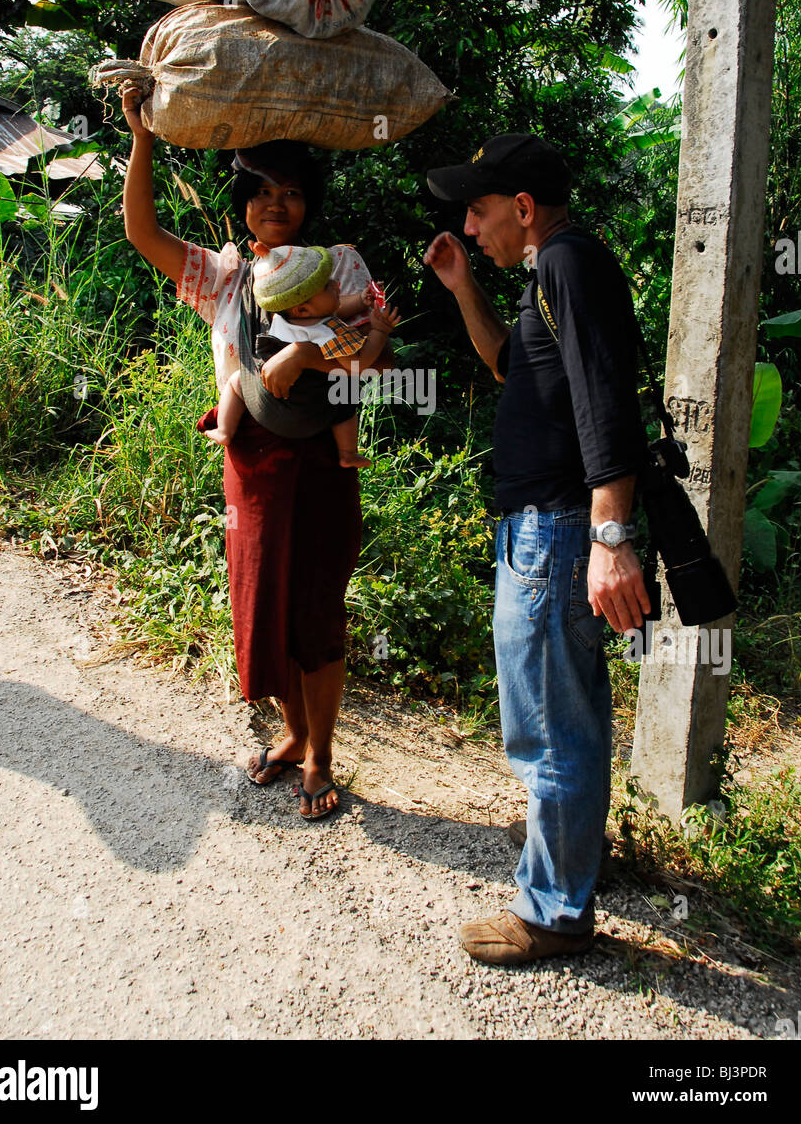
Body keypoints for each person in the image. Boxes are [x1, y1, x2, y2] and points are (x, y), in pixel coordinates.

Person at [120, 83, 393, 819]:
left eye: (294, 192)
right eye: (264, 191)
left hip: (324, 460)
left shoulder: (338, 266)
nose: (278, 204)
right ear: (243, 201)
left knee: (317, 609)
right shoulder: (224, 276)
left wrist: (304, 360)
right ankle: (294, 733)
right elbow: (143, 233)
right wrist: (143, 138)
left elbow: (377, 364)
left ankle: (323, 755)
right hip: (252, 465)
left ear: (310, 205)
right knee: (262, 603)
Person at [423, 133, 651, 962]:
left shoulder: (566, 264)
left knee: (549, 725)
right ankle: (573, 874)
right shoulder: (547, 276)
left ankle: (554, 911)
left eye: (479, 214)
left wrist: (609, 538)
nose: (471, 228)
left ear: (523, 209)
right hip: (546, 529)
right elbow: (506, 369)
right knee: (566, 714)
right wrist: (461, 285)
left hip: (560, 530)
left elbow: (604, 403)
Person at [206, 242, 399, 467]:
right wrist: (380, 331)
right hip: (311, 413)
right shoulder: (328, 334)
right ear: (303, 309)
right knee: (346, 398)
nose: (337, 284)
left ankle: (224, 430)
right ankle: (347, 453)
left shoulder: (284, 318)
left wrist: (359, 300)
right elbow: (359, 363)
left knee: (236, 381)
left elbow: (330, 310)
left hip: (268, 411)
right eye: (328, 286)